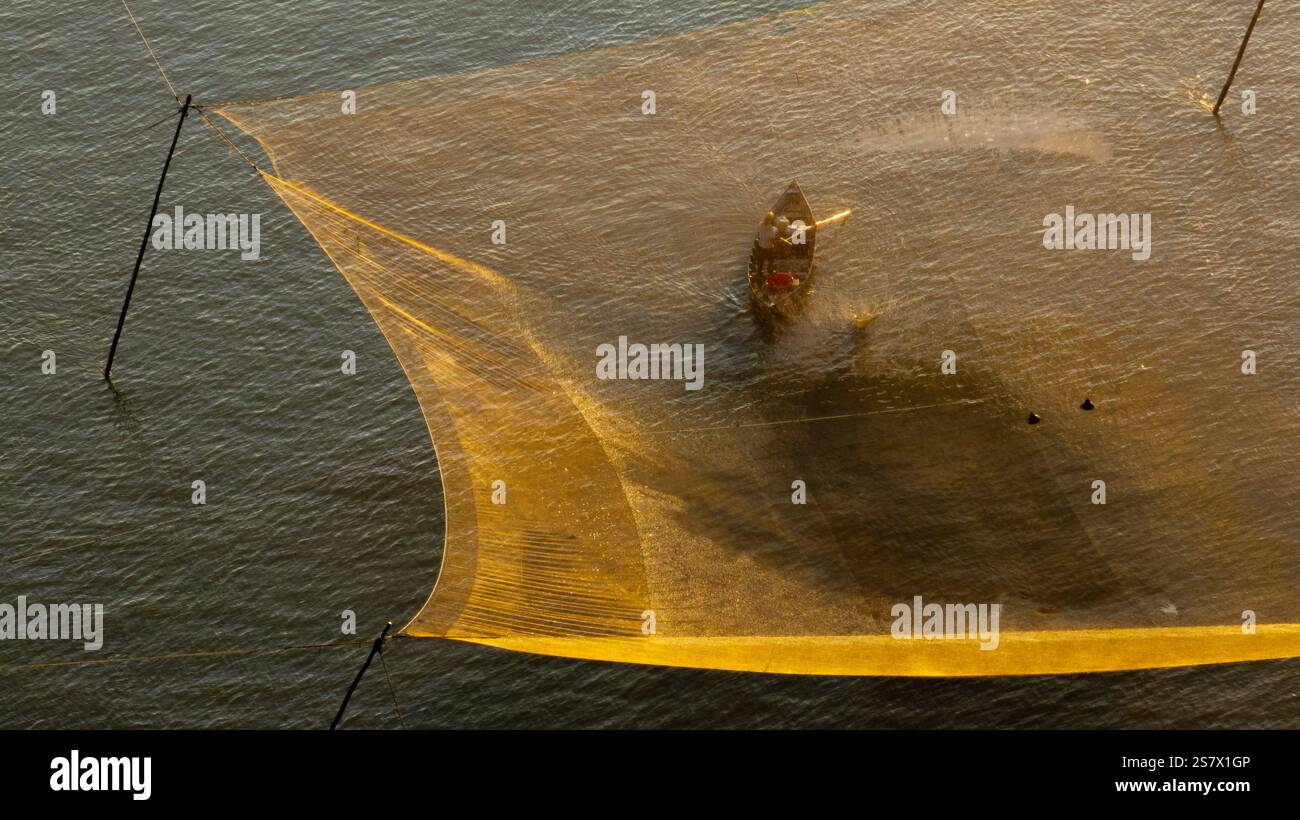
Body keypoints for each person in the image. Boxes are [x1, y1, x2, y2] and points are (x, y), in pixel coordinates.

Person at [755, 211, 777, 276]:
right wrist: (776, 244)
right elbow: (772, 240)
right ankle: (770, 273)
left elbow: (758, 235)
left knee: (760, 261)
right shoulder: (772, 229)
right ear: (771, 220)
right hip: (769, 248)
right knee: (770, 262)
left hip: (761, 247)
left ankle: (759, 273)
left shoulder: (759, 225)